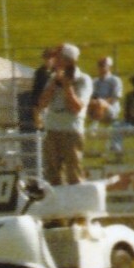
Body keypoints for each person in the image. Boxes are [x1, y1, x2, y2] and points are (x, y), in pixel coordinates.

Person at [37, 43, 92, 185]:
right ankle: (56, 204)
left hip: (71, 131)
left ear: (68, 60)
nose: (54, 61)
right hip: (52, 129)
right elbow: (42, 103)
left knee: (74, 173)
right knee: (52, 174)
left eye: (58, 58)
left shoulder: (83, 80)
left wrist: (67, 86)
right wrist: (54, 84)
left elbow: (76, 108)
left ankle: (77, 204)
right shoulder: (53, 79)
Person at [19, 47, 55, 130]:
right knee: (44, 128)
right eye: (47, 58)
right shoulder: (40, 73)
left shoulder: (57, 72)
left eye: (51, 58)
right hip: (43, 105)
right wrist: (36, 109)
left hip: (55, 104)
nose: (49, 60)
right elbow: (36, 91)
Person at [87, 57, 122, 124]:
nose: (101, 67)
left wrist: (101, 103)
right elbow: (91, 97)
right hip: (96, 106)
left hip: (111, 108)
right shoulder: (95, 81)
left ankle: (94, 125)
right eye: (100, 65)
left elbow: (115, 98)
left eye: (103, 65)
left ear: (109, 67)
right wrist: (95, 103)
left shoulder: (115, 80)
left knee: (100, 102)